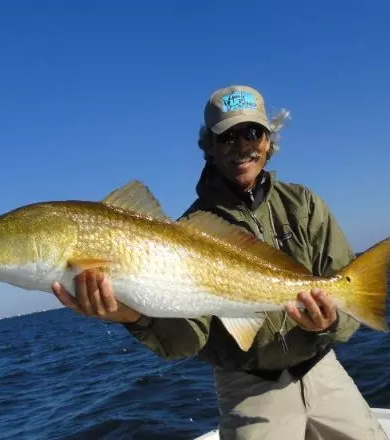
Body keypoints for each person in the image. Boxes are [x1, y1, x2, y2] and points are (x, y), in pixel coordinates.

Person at [52, 85, 387, 440]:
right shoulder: (184, 234)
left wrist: (327, 323)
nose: (241, 147)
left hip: (324, 370)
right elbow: (187, 341)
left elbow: (347, 308)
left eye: (252, 133)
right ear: (208, 147)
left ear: (268, 141)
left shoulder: (303, 205)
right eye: (227, 137)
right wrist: (135, 317)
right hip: (247, 385)